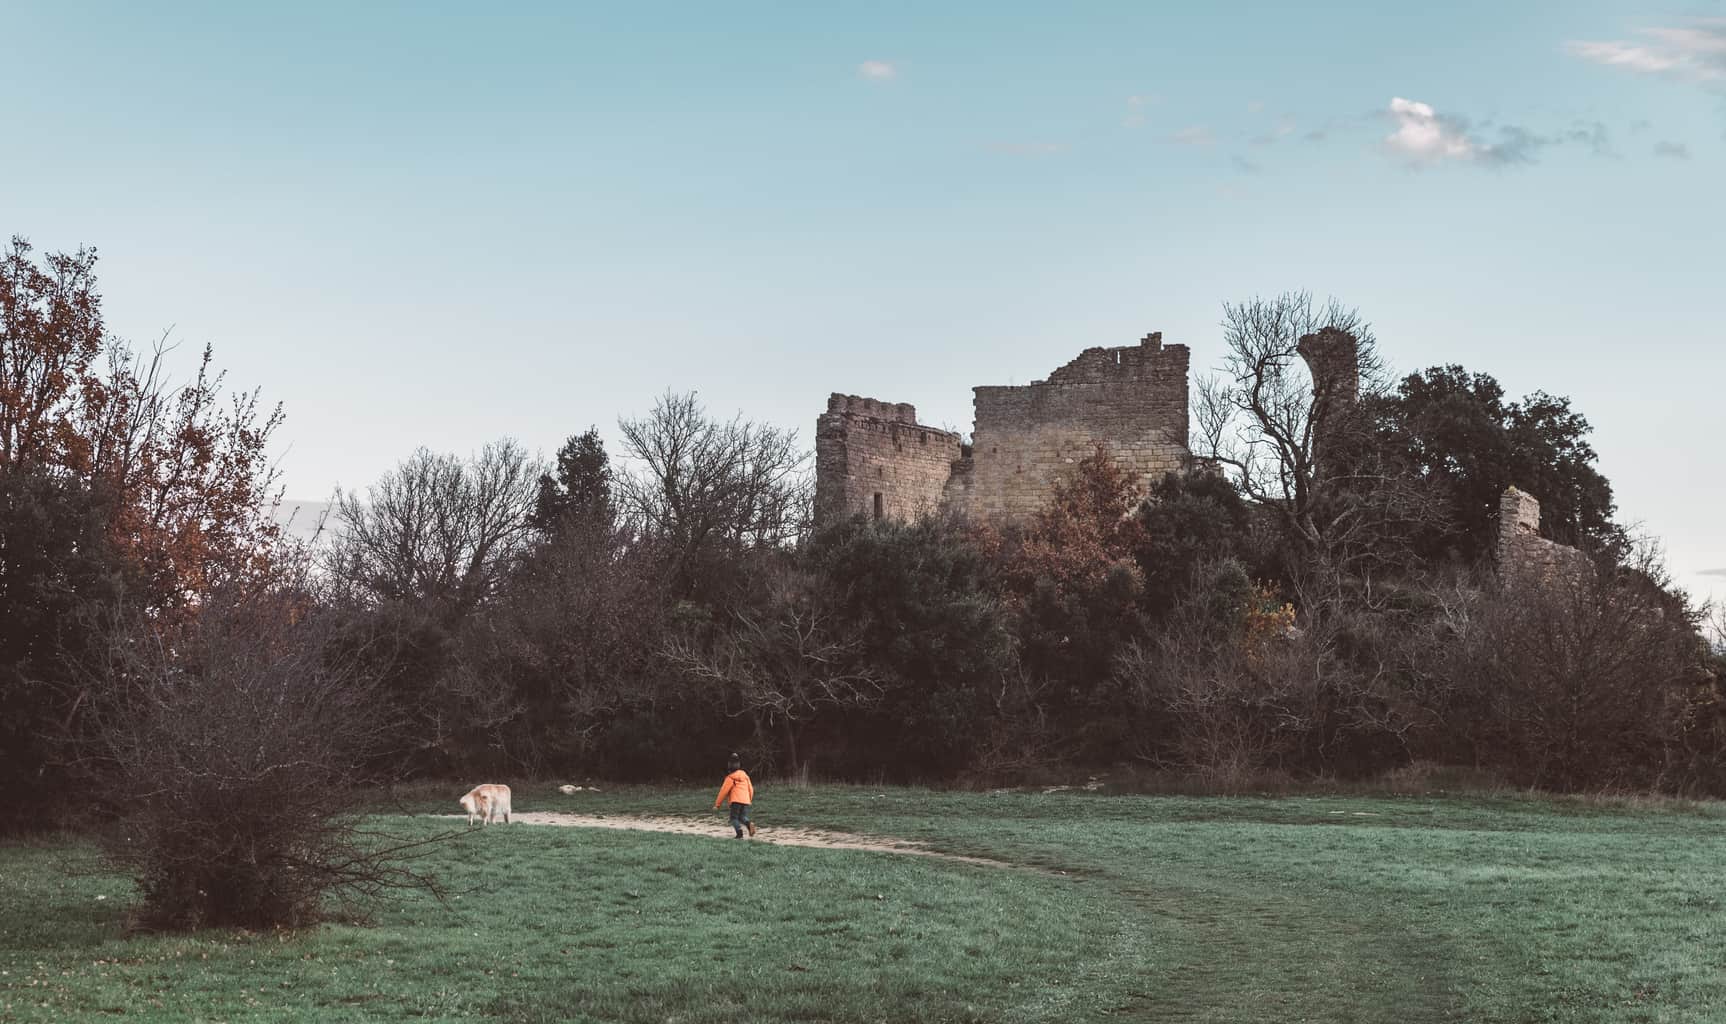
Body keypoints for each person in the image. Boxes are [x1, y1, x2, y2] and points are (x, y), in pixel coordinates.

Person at [713, 753, 756, 839]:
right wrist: (749, 799)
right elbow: (751, 788)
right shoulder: (745, 776)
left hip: (736, 801)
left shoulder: (730, 778)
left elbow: (723, 792)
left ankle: (739, 834)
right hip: (745, 800)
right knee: (742, 816)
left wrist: (717, 805)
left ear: (729, 767)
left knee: (733, 818)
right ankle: (749, 824)